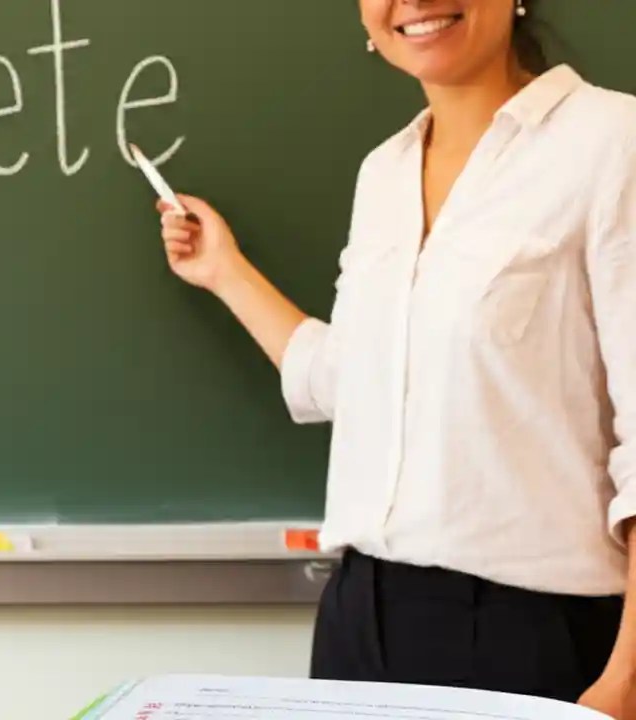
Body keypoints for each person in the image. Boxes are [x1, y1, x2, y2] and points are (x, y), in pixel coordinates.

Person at [157, 0, 636, 715]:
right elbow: (345, 380)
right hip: (360, 622)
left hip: (534, 638)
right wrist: (226, 272)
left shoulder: (610, 141)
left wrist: (620, 687)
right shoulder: (383, 173)